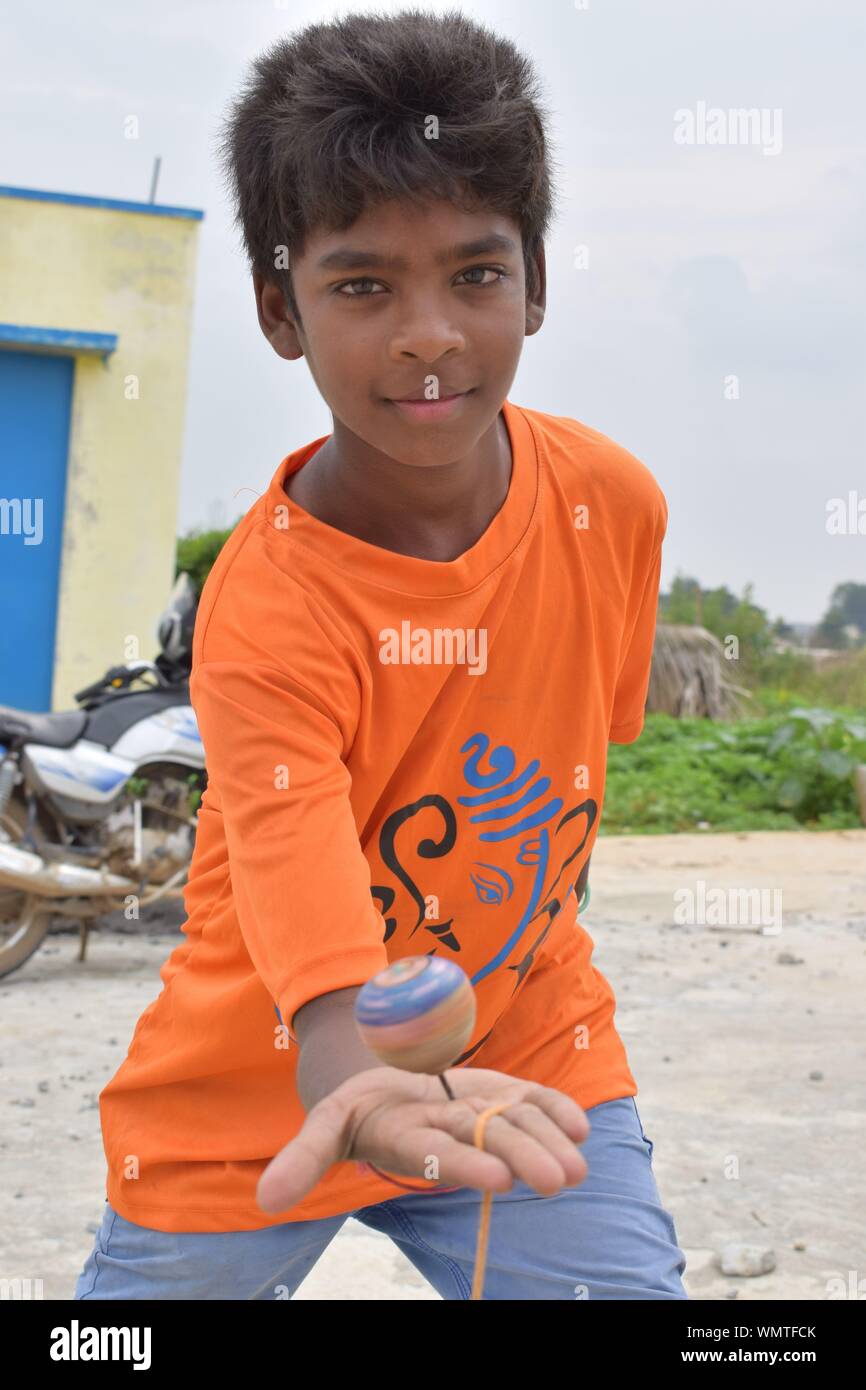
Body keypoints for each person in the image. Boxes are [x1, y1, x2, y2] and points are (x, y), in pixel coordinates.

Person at [74, 7, 687, 1301]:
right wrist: (360, 1085)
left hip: (528, 1055)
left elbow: (581, 745)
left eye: (475, 273)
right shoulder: (269, 608)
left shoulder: (611, 504)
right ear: (278, 309)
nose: (427, 333)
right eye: (362, 285)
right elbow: (320, 960)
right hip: (263, 1095)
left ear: (535, 277)